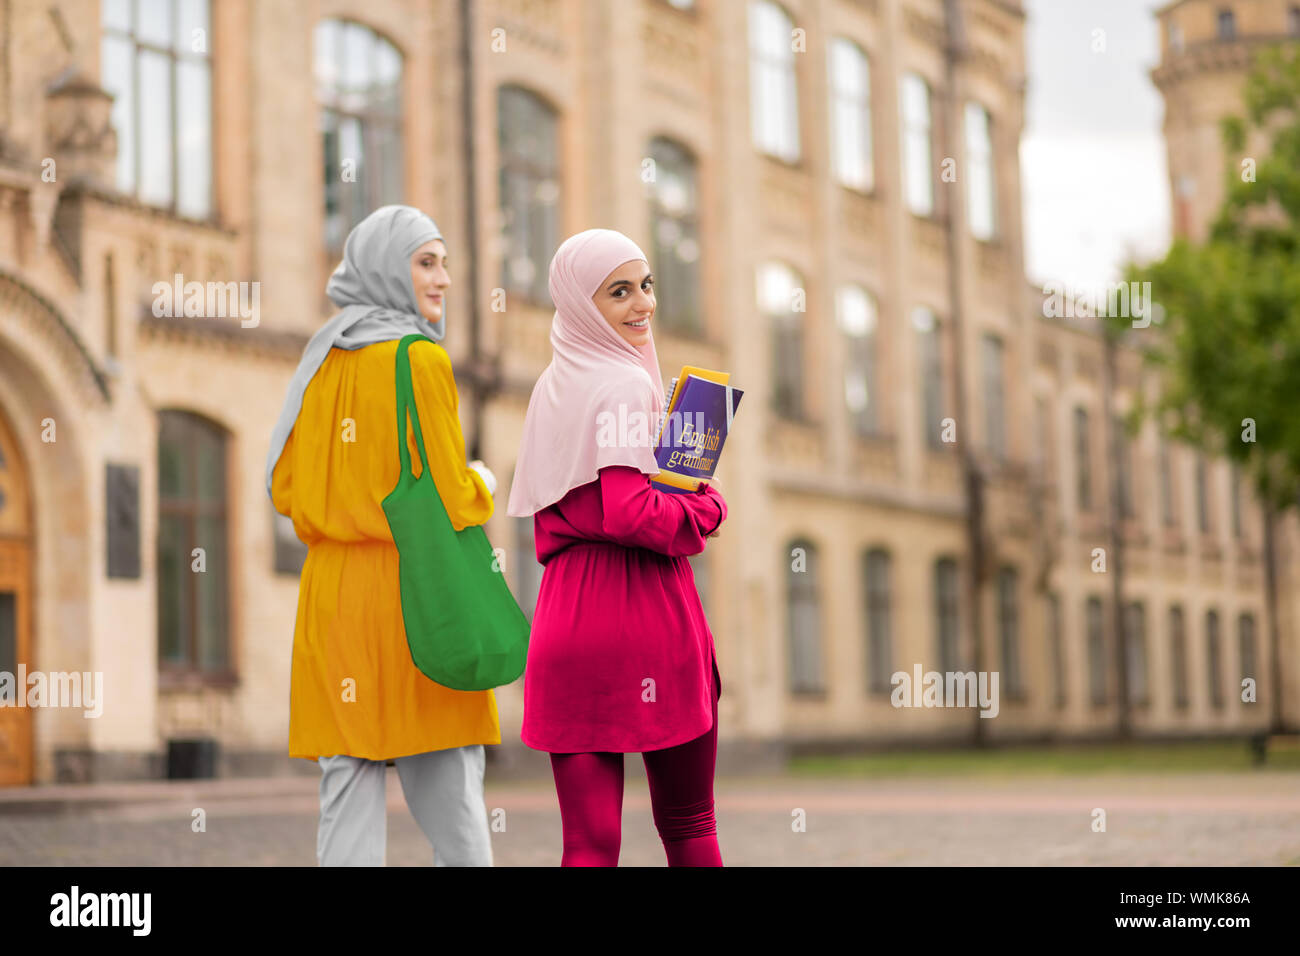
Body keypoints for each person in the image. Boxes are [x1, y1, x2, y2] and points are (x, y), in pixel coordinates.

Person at [267, 205, 499, 866]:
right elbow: (449, 496)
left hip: (334, 598)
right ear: (387, 269)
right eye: (426, 262)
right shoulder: (419, 359)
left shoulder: (321, 360)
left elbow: (285, 487)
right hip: (411, 595)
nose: (444, 278)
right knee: (451, 788)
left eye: (444, 262)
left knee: (347, 789)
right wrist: (481, 480)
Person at [507, 228, 728, 866]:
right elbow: (629, 510)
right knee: (689, 824)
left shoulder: (552, 385)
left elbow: (566, 509)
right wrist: (706, 506)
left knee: (588, 843)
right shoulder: (627, 384)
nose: (643, 305)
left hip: (568, 621)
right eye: (619, 292)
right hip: (644, 615)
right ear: (582, 304)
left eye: (647, 285)